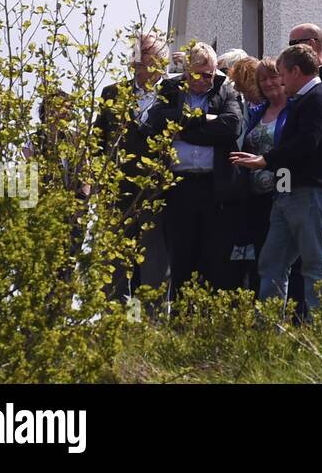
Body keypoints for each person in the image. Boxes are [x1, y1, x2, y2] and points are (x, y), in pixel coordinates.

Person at [231, 43, 322, 311]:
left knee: (315, 263)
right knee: (273, 262)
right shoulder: (306, 99)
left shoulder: (318, 98)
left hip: (311, 194)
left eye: (280, 73)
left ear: (295, 71)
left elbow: (306, 144)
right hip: (290, 194)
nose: (278, 80)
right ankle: (270, 331)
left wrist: (265, 159)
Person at [143, 42, 244, 299]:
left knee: (214, 261)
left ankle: (209, 326)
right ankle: (180, 328)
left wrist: (185, 130)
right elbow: (156, 121)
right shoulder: (170, 88)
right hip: (179, 187)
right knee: (181, 260)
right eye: (197, 74)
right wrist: (204, 121)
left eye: (209, 74)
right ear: (187, 71)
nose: (203, 80)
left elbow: (231, 127)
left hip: (214, 187)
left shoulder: (225, 90)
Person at [97, 31, 172, 295]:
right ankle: (116, 323)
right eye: (138, 54)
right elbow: (98, 142)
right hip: (117, 191)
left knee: (154, 262)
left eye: (147, 54)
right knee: (114, 263)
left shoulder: (173, 93)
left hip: (158, 190)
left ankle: (148, 326)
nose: (141, 61)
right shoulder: (112, 93)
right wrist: (99, 181)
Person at [235, 57, 290, 290]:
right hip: (255, 194)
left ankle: (295, 316)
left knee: (285, 256)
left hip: (283, 192)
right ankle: (263, 314)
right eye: (263, 79)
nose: (268, 83)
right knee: (261, 255)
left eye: (273, 76)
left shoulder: (295, 109)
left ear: (283, 78)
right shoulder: (257, 112)